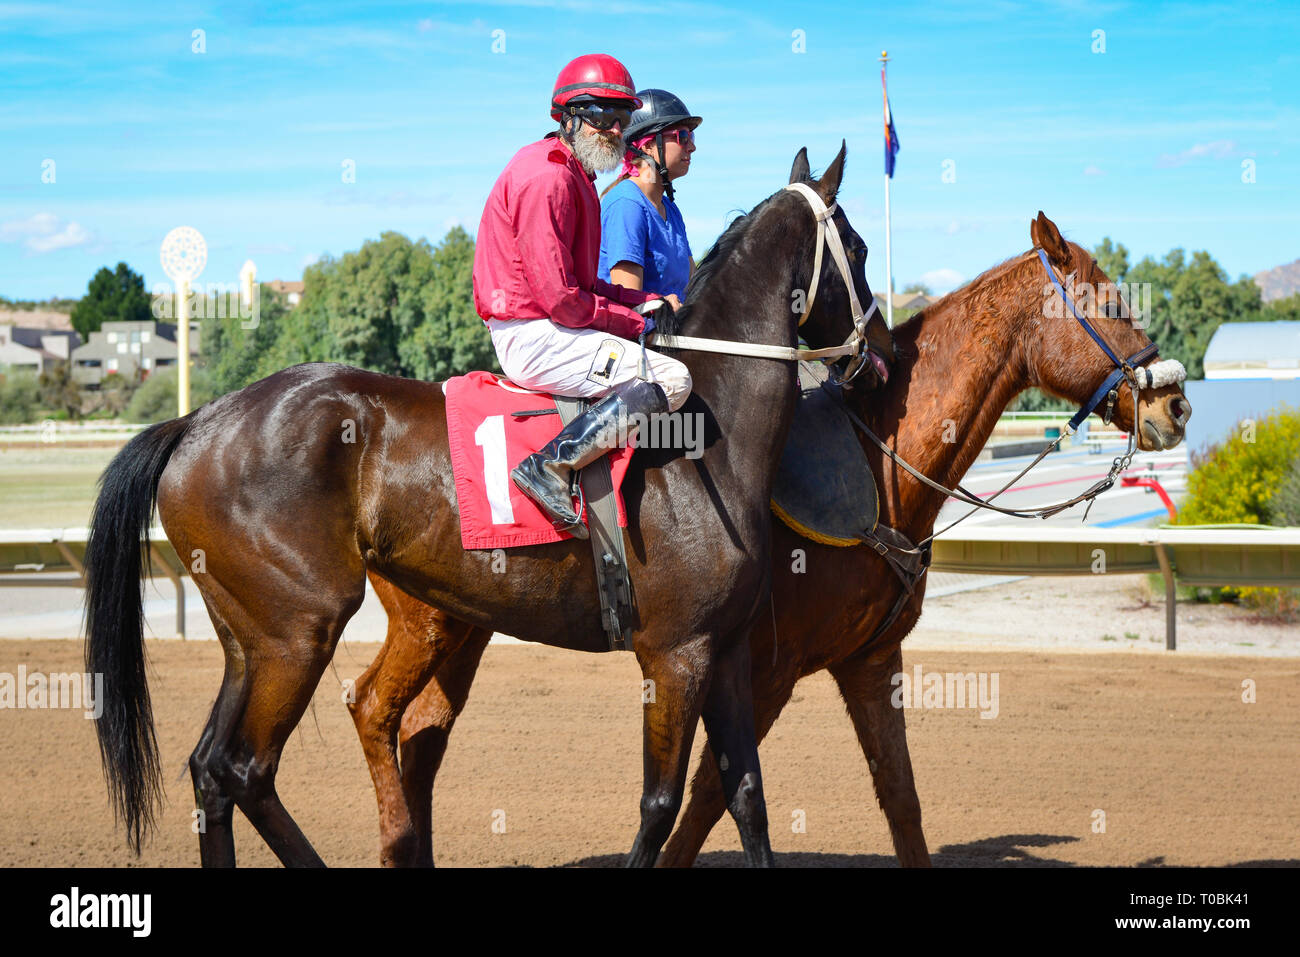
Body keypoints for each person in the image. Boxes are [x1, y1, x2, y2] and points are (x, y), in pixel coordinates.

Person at [472, 54, 693, 539]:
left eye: (621, 119)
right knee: (673, 380)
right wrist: (640, 324)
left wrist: (644, 301)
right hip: (532, 334)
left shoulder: (576, 176)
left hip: (549, 324)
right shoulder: (548, 177)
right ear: (568, 117)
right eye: (600, 116)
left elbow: (588, 287)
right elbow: (562, 300)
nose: (613, 129)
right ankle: (550, 466)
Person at [598, 89, 701, 302]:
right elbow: (628, 300)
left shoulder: (670, 210)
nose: (692, 147)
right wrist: (662, 305)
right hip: (631, 334)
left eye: (691, 136)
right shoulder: (626, 204)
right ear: (648, 146)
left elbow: (693, 287)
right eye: (682, 136)